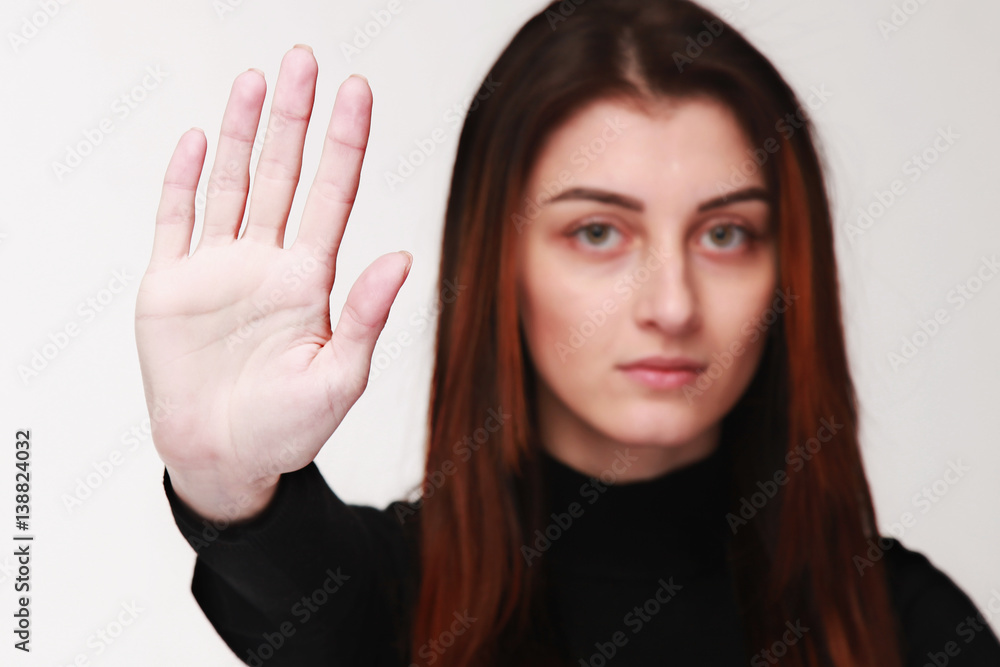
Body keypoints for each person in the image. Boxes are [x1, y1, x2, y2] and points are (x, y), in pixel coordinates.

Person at [135, 1, 1000, 665]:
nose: (672, 304)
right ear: (500, 261)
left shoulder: (912, 629)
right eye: (597, 231)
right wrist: (226, 480)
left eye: (725, 233)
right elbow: (299, 589)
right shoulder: (385, 604)